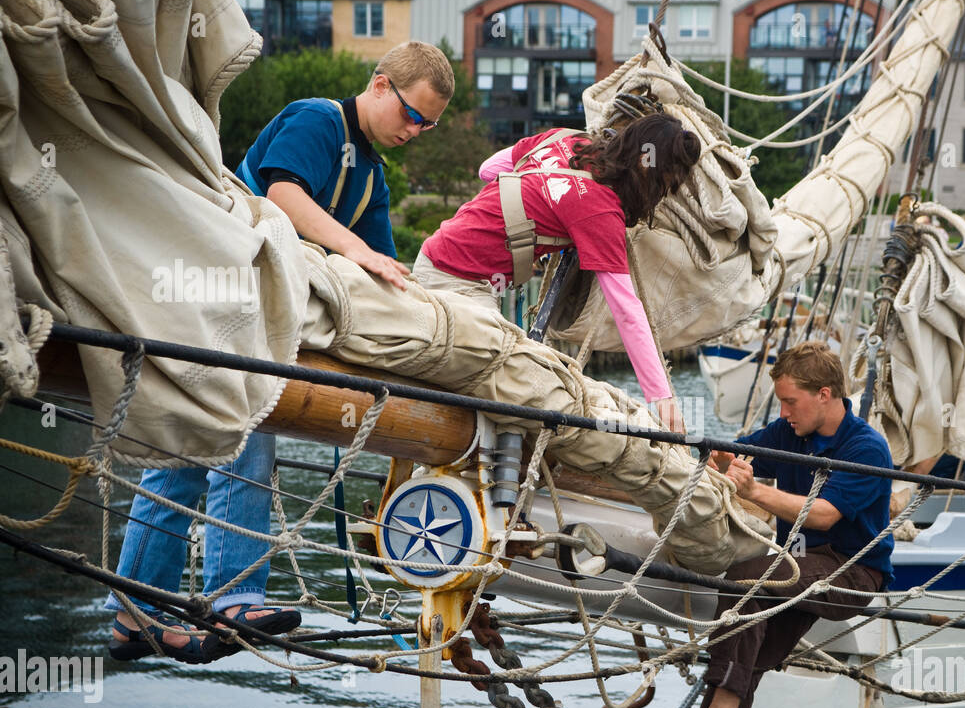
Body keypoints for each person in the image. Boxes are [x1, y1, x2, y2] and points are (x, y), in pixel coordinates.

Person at [109, 42, 453, 664]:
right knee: (214, 440)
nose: (416, 131)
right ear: (379, 85)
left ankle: (147, 610)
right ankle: (213, 599)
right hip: (215, 295)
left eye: (427, 125)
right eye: (410, 114)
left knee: (204, 445)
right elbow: (282, 197)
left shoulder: (370, 174)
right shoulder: (317, 119)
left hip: (258, 320)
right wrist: (359, 252)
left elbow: (380, 272)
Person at [633, 341, 893, 708]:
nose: (784, 412)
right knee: (743, 666)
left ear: (824, 394)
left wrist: (754, 490)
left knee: (747, 576)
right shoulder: (789, 431)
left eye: (790, 401)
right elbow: (741, 450)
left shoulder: (865, 446)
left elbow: (824, 513)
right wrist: (713, 457)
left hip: (853, 573)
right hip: (806, 567)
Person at [414, 113, 695, 434]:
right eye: (665, 186)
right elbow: (628, 313)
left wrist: (532, 219)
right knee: (514, 404)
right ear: (648, 170)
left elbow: (488, 170)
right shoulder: (601, 211)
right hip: (457, 285)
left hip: (438, 254)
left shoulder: (566, 139)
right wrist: (663, 401)